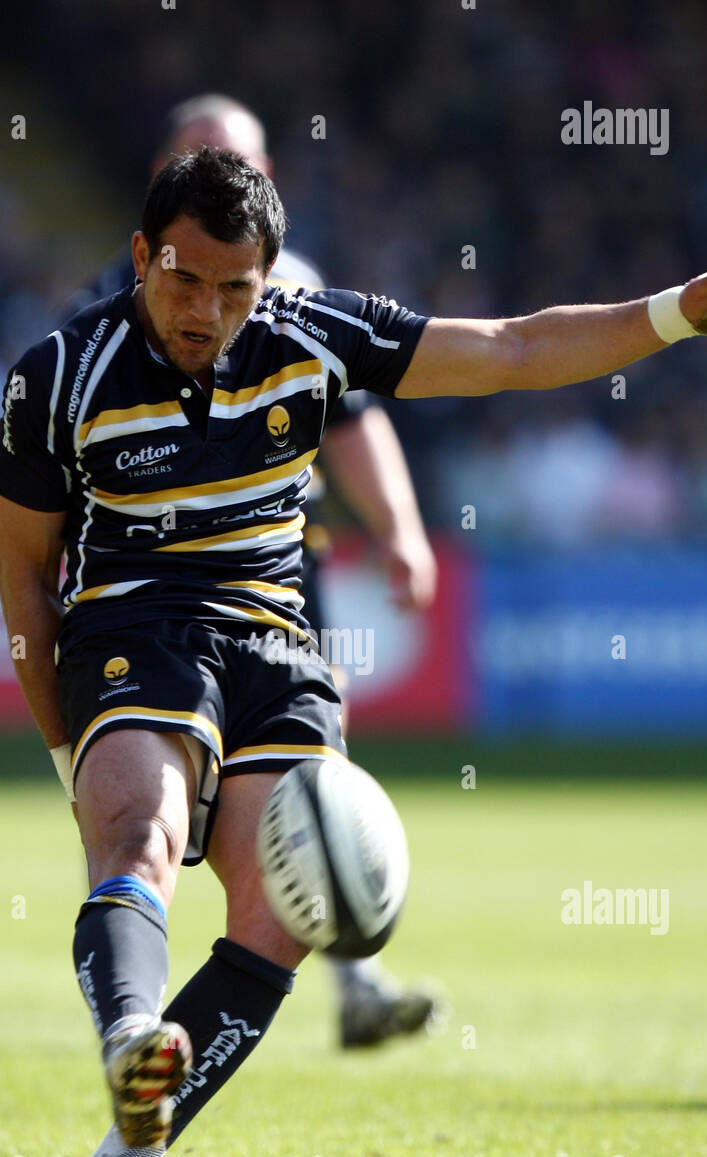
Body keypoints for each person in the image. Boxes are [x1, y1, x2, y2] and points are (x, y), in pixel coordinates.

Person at [0, 146, 707, 1157]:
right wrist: (62, 750)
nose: (207, 311)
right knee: (138, 836)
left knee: (283, 913)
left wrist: (676, 311)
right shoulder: (59, 374)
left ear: (268, 279)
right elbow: (24, 586)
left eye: (236, 289)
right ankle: (135, 1030)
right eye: (184, 280)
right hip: (132, 633)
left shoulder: (309, 333)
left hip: (276, 646)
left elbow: (512, 349)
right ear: (143, 255)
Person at [68, 93, 441, 1049]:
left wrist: (398, 526)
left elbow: (358, 417)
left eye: (227, 158)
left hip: (274, 557)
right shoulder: (109, 303)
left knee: (308, 752)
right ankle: (135, 988)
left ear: (266, 180)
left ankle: (345, 972)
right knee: (142, 801)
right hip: (151, 587)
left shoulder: (297, 293)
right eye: (189, 158)